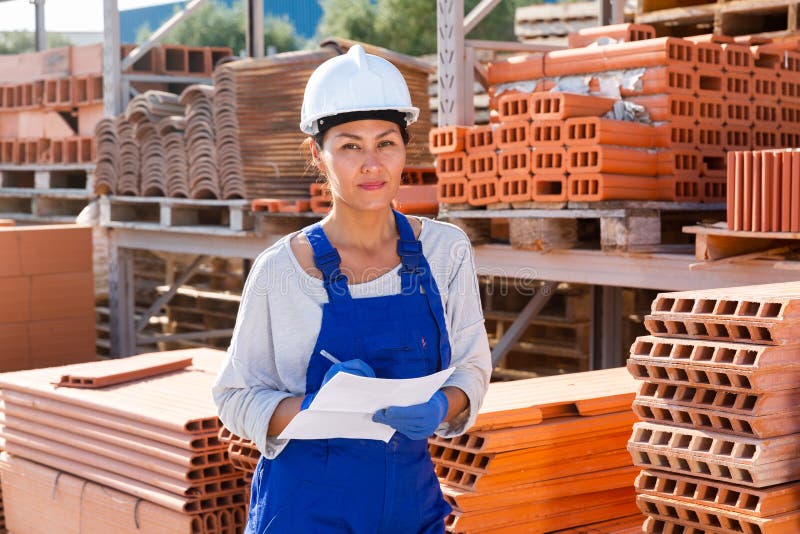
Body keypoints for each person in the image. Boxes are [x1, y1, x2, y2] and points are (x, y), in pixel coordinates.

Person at [213, 44, 492, 533]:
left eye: (386, 143)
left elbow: (471, 367)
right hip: (307, 511)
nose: (372, 164)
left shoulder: (445, 251)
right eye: (349, 146)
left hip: (411, 506)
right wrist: (312, 408)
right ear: (317, 155)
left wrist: (439, 407)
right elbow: (235, 397)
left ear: (405, 148)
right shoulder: (281, 270)